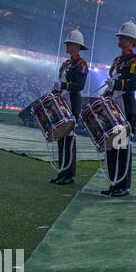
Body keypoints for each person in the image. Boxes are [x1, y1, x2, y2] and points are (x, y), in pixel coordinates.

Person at [102, 19, 136, 197]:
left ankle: (123, 186)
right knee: (111, 147)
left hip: (125, 108)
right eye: (120, 37)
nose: (120, 40)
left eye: (124, 38)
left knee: (123, 147)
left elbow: (135, 83)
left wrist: (117, 83)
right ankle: (113, 183)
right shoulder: (117, 60)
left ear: (132, 41)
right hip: (113, 107)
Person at [49, 28, 89, 186]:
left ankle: (69, 175)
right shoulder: (65, 64)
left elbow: (80, 85)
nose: (67, 45)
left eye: (70, 43)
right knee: (61, 138)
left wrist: (64, 85)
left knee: (69, 140)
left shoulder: (81, 64)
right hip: (61, 104)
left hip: (72, 104)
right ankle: (62, 172)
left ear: (77, 46)